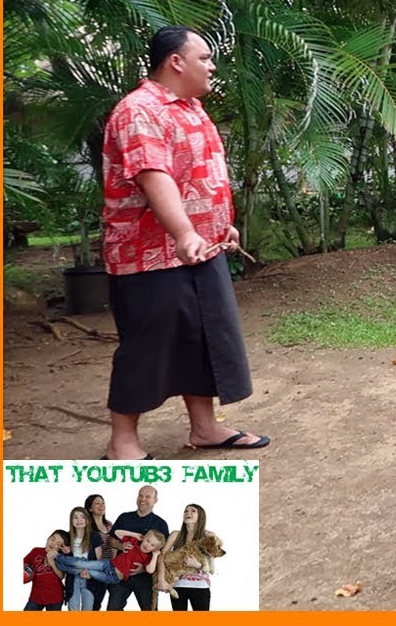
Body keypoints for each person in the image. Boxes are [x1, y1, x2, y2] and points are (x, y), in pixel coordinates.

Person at [100, 25, 269, 459]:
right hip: (148, 256)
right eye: (205, 58)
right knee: (145, 348)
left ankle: (205, 428)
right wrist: (184, 232)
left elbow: (199, 175)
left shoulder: (191, 108)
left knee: (202, 339)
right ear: (176, 61)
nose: (212, 66)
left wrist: (218, 225)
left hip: (200, 249)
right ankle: (123, 443)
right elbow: (153, 175)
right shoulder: (139, 110)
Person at [105, 486, 170, 610]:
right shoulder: (124, 517)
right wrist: (120, 545)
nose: (143, 499)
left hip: (145, 578)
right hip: (121, 574)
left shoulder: (160, 524)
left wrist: (145, 569)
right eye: (141, 495)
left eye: (147, 497)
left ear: (155, 500)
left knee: (150, 612)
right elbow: (110, 539)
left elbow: (162, 554)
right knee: (112, 611)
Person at [54, 530, 164, 589]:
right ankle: (58, 557)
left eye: (152, 545)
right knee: (81, 563)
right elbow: (117, 533)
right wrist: (135, 535)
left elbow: (150, 570)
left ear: (154, 549)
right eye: (147, 540)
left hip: (113, 577)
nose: (148, 545)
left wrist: (155, 555)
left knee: (84, 571)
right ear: (144, 537)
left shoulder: (148, 557)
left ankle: (60, 566)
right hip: (108, 564)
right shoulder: (133, 542)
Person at [157, 504, 217, 610]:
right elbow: (162, 556)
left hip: (200, 587)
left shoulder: (208, 535)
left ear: (201, 516)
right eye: (185, 511)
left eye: (193, 511)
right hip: (178, 586)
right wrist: (161, 579)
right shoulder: (176, 535)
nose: (188, 513)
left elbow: (211, 564)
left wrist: (197, 565)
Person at [63, 506, 101, 610]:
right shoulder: (67, 537)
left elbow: (99, 561)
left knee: (88, 609)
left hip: (89, 578)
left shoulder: (94, 536)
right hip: (72, 577)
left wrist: (91, 573)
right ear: (71, 521)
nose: (79, 520)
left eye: (82, 517)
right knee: (73, 607)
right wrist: (67, 552)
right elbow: (64, 560)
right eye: (75, 517)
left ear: (87, 520)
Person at [23, 530, 68, 611]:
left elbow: (62, 576)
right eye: (52, 539)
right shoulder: (36, 551)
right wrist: (26, 574)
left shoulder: (61, 557)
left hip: (55, 598)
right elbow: (24, 563)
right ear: (48, 539)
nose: (53, 543)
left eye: (58, 544)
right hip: (36, 597)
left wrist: (52, 562)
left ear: (61, 548)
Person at [83, 494, 114, 610]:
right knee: (95, 604)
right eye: (97, 503)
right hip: (97, 570)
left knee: (115, 604)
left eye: (103, 503)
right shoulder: (87, 528)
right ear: (90, 508)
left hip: (113, 569)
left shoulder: (110, 525)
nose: (101, 505)